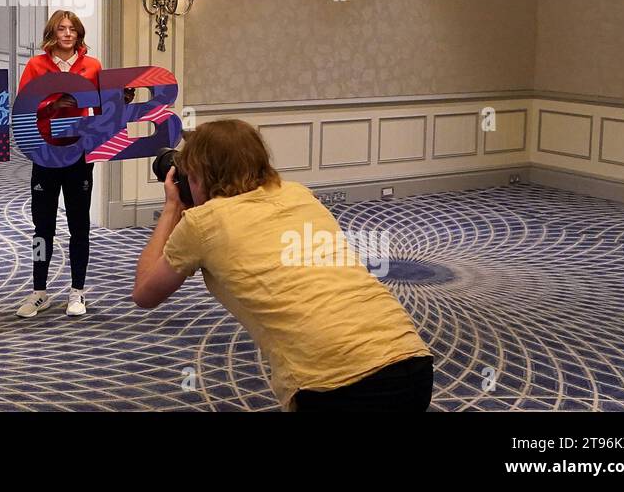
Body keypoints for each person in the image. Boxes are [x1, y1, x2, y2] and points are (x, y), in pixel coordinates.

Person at [132, 119, 433, 411]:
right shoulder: (298, 193)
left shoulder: (203, 223)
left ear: (199, 177)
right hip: (413, 361)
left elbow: (144, 294)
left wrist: (172, 208)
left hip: (336, 385)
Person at [14, 10, 102, 320]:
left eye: (72, 29)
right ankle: (39, 290)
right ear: (53, 32)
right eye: (61, 29)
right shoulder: (37, 65)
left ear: (79, 34)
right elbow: (23, 107)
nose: (67, 34)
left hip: (79, 154)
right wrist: (53, 105)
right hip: (46, 154)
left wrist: (124, 99)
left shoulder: (92, 66)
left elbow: (103, 109)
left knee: (80, 226)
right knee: (42, 227)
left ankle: (77, 290)